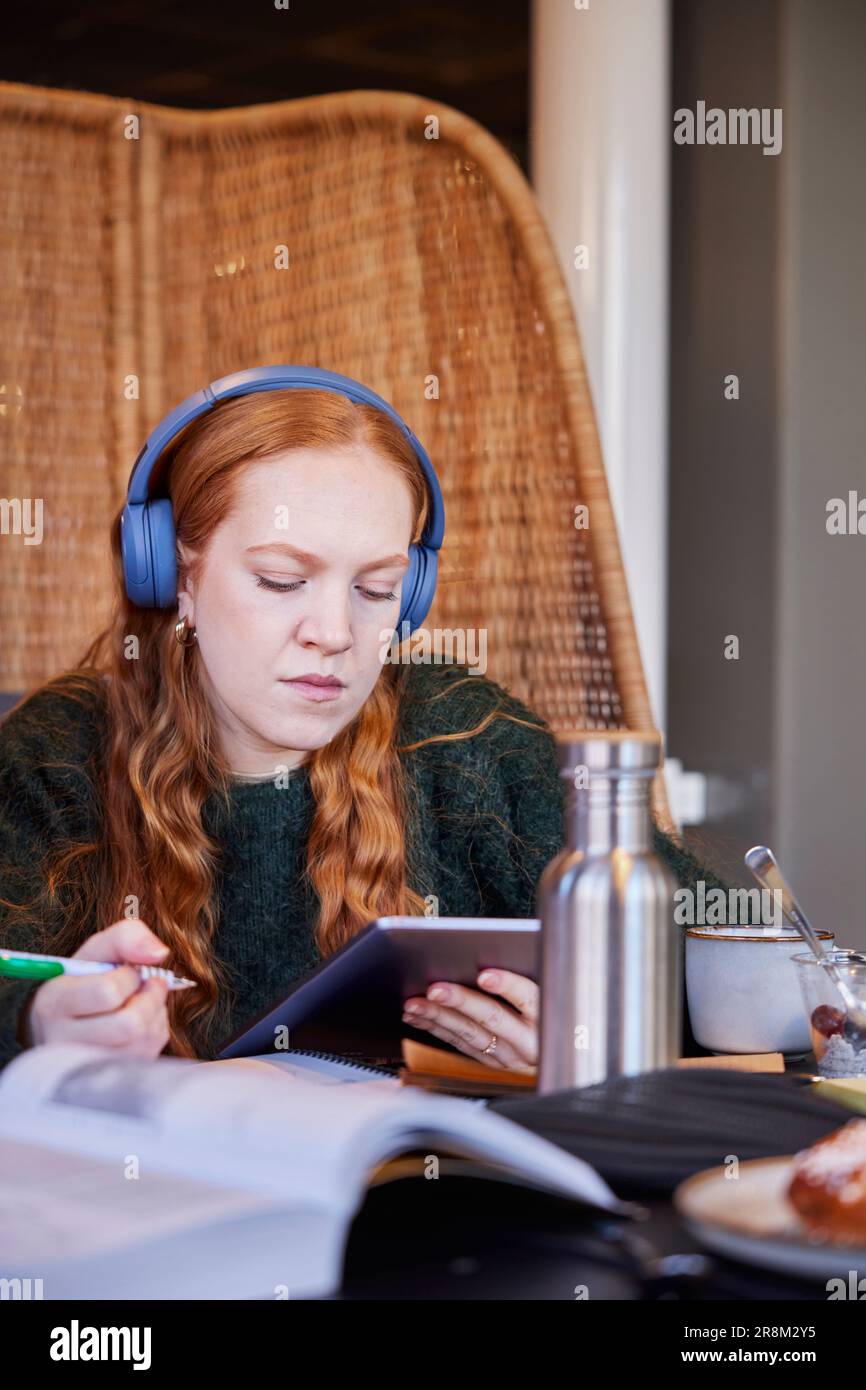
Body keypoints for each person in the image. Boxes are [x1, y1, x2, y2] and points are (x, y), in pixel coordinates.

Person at [0, 369, 726, 1076]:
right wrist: (36, 1021)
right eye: (282, 581)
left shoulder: (466, 738)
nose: (336, 631)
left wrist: (603, 1042)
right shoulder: (56, 755)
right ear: (176, 576)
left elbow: (736, 968)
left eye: (377, 589)